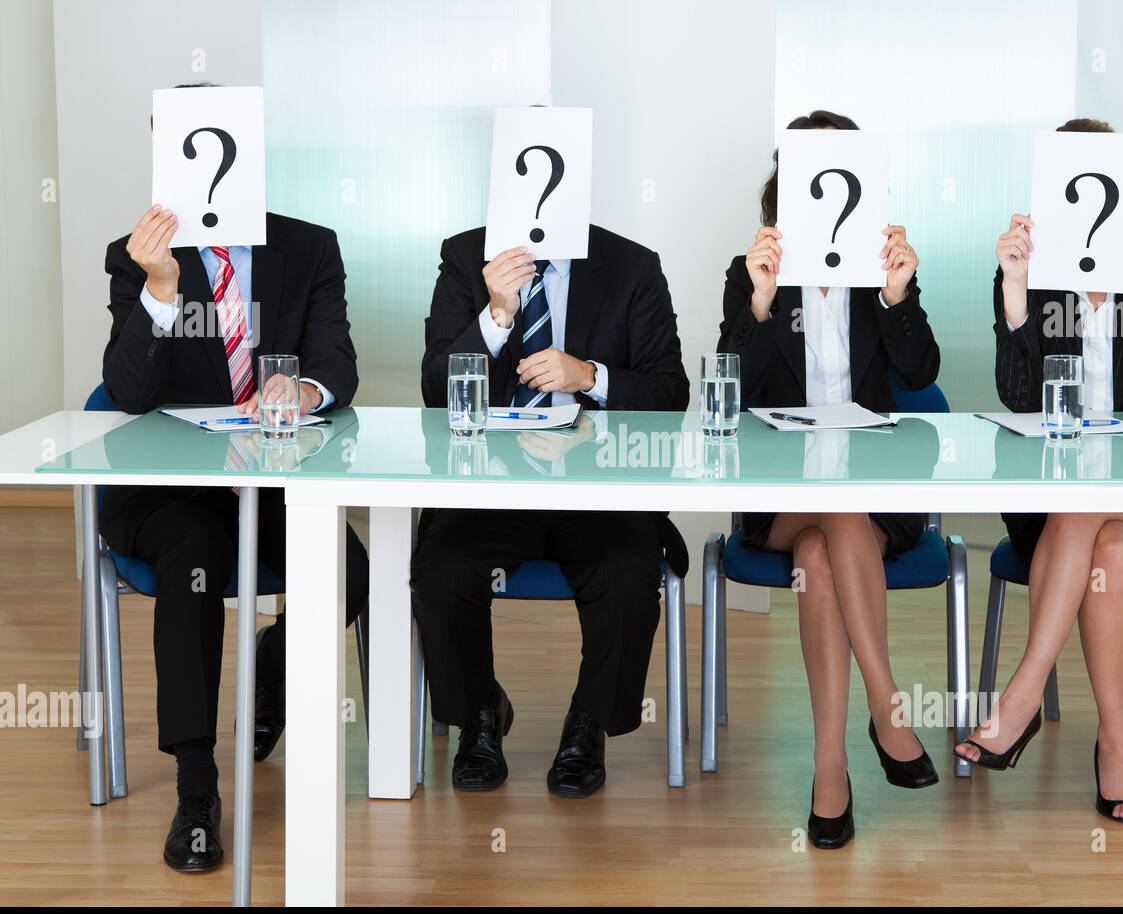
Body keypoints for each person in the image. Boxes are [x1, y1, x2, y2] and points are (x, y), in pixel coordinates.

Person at [101, 195, 370, 871]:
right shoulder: (136, 255)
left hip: (271, 476)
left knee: (351, 570)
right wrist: (161, 289)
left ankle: (267, 683)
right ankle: (197, 790)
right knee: (193, 560)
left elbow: (338, 363)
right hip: (170, 490)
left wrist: (304, 389)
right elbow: (128, 392)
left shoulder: (308, 247)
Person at [954, 118, 1123, 824]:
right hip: (1052, 499)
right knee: (1112, 548)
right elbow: (1014, 395)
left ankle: (1023, 695)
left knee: (1112, 524)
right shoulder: (1032, 273)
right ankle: (1116, 738)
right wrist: (1013, 289)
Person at [717, 109, 943, 849]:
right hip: (778, 494)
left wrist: (896, 295)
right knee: (825, 518)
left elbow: (920, 374)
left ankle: (830, 767)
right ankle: (888, 705)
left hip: (869, 495)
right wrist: (755, 301)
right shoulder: (752, 274)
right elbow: (725, 394)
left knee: (822, 549)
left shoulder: (877, 271)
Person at [412, 222, 689, 799]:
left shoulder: (632, 263)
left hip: (598, 488)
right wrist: (496, 317)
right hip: (493, 490)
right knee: (443, 566)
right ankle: (480, 712)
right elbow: (436, 389)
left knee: (626, 571)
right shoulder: (466, 256)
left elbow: (671, 392)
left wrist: (589, 376)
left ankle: (589, 720)